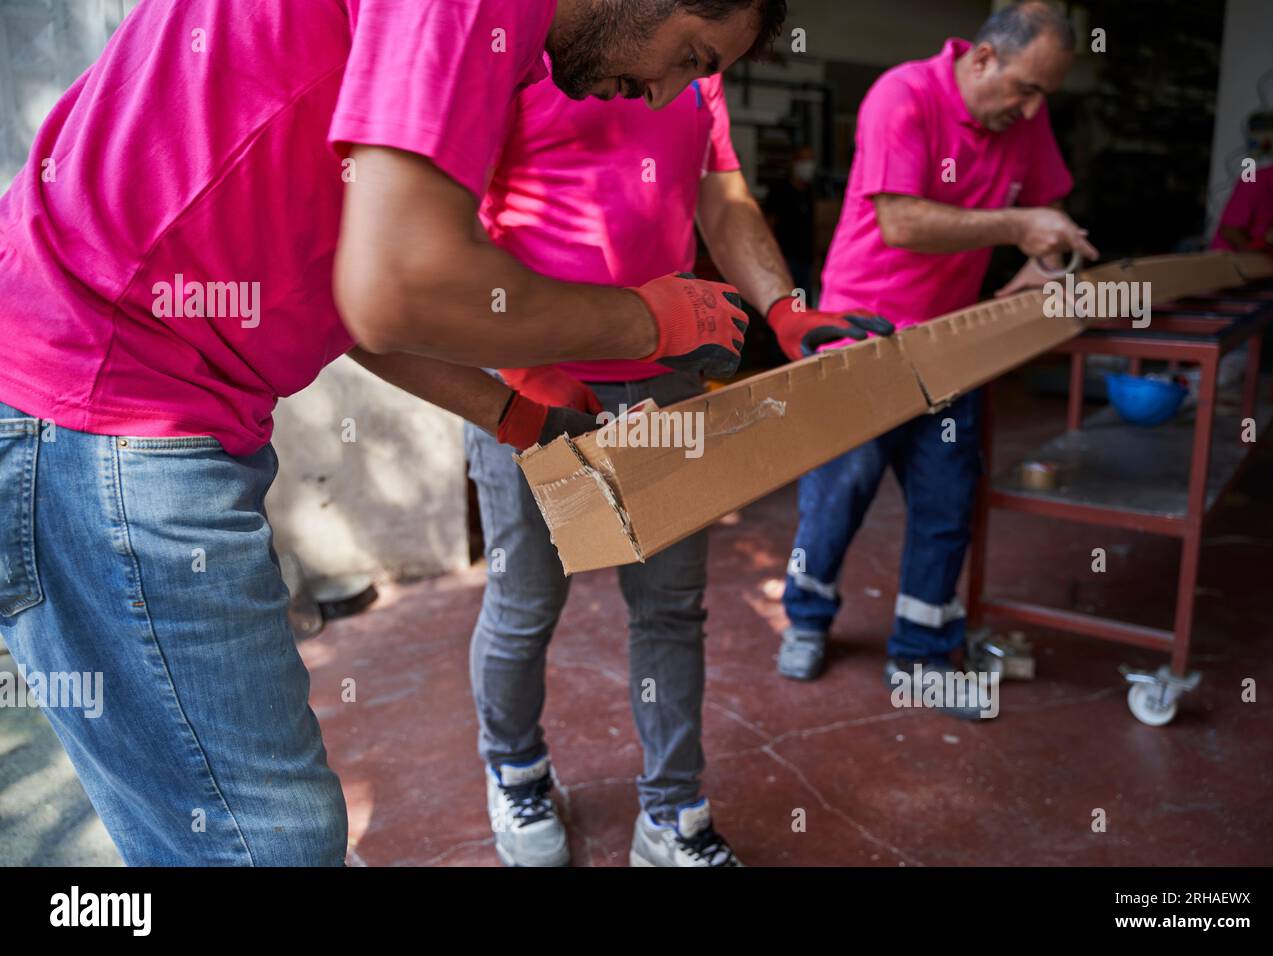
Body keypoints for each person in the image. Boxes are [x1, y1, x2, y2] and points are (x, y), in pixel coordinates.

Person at [0, 0, 786, 866]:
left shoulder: (504, 47)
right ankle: (517, 774)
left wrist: (517, 415)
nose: (665, 94)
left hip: (117, 409)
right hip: (99, 406)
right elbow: (402, 284)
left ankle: (666, 810)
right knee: (268, 846)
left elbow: (356, 297)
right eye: (689, 54)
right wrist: (647, 320)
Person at [468, 52, 891, 866]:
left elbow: (720, 195)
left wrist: (786, 310)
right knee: (525, 604)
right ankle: (516, 769)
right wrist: (516, 363)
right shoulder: (518, 42)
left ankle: (672, 816)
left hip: (667, 377)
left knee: (670, 607)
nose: (700, 61)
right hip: (532, 378)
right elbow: (445, 225)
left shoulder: (695, 64)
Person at [775, 2, 1097, 718]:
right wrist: (1021, 225)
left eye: (1045, 93)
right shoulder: (904, 94)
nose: (1032, 107)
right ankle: (805, 618)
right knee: (839, 492)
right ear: (982, 58)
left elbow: (1045, 217)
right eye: (1024, 88)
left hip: (954, 345)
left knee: (947, 504)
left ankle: (921, 656)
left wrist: (1043, 264)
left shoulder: (1024, 114)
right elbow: (902, 220)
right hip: (864, 335)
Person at [1210, 152, 1273, 252]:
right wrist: (1256, 251)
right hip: (1230, 254)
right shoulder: (1253, 181)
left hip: (1262, 253)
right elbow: (1230, 230)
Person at [763, 144, 819, 301]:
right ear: (793, 162)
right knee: (785, 301)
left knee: (800, 303)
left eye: (811, 160)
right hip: (784, 259)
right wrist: (772, 258)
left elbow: (813, 227)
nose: (807, 165)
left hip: (805, 261)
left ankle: (798, 324)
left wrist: (815, 262)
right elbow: (769, 225)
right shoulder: (779, 189)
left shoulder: (809, 192)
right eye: (803, 160)